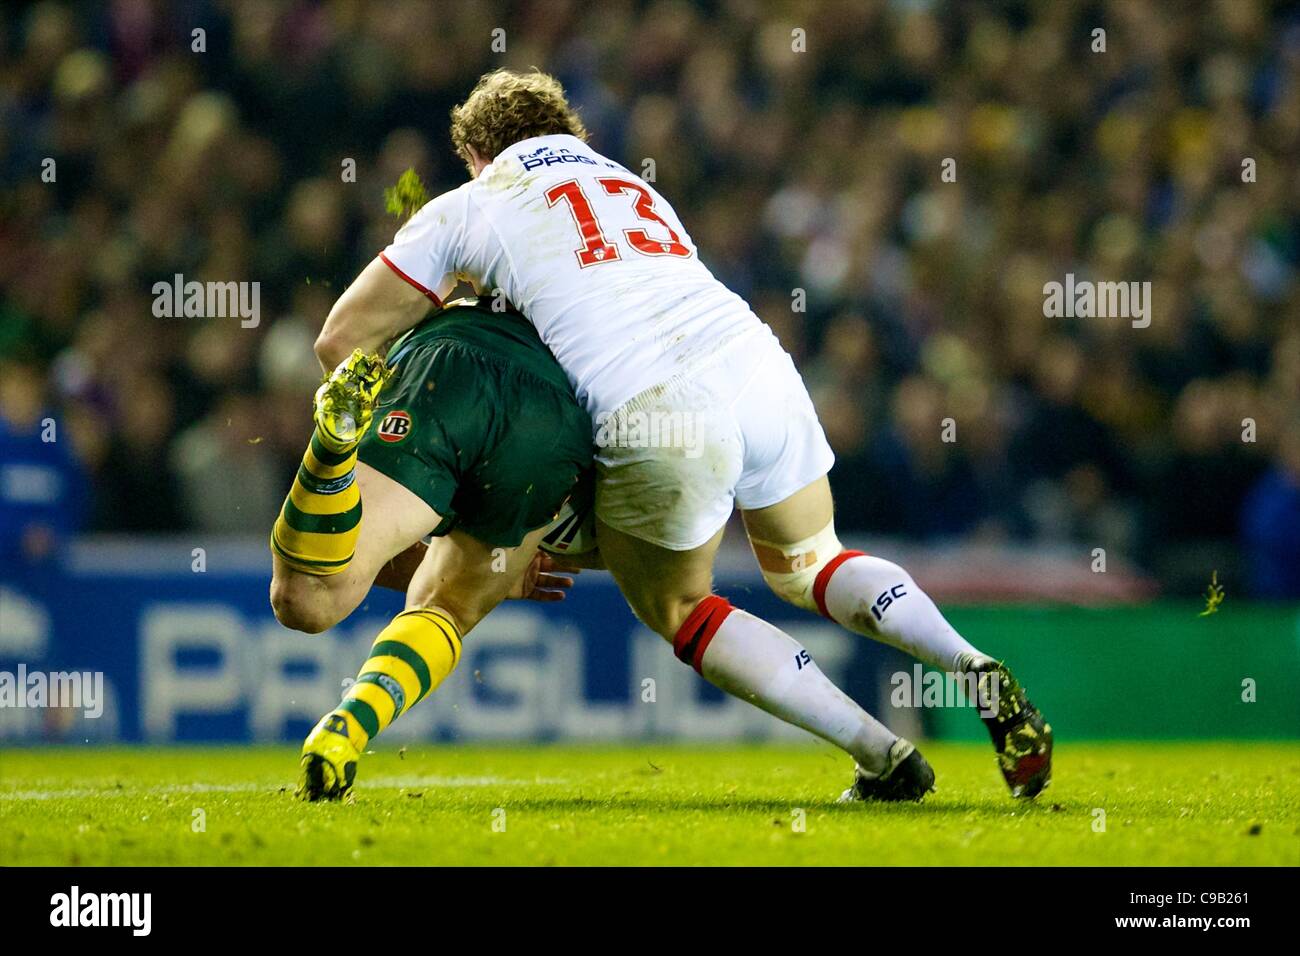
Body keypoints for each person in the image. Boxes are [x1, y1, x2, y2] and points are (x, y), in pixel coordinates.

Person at [313, 70, 1052, 801]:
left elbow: (340, 339)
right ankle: (967, 661)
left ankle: (881, 754)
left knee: (678, 607)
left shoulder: (471, 203)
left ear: (476, 155)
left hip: (655, 404)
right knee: (812, 563)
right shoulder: (633, 187)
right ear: (571, 134)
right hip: (755, 363)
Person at [269, 297, 591, 800]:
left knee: (304, 596)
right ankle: (345, 732)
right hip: (552, 410)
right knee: (447, 607)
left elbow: (335, 339)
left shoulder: (460, 226)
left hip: (447, 369)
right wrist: (501, 569)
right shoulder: (637, 263)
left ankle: (330, 454)